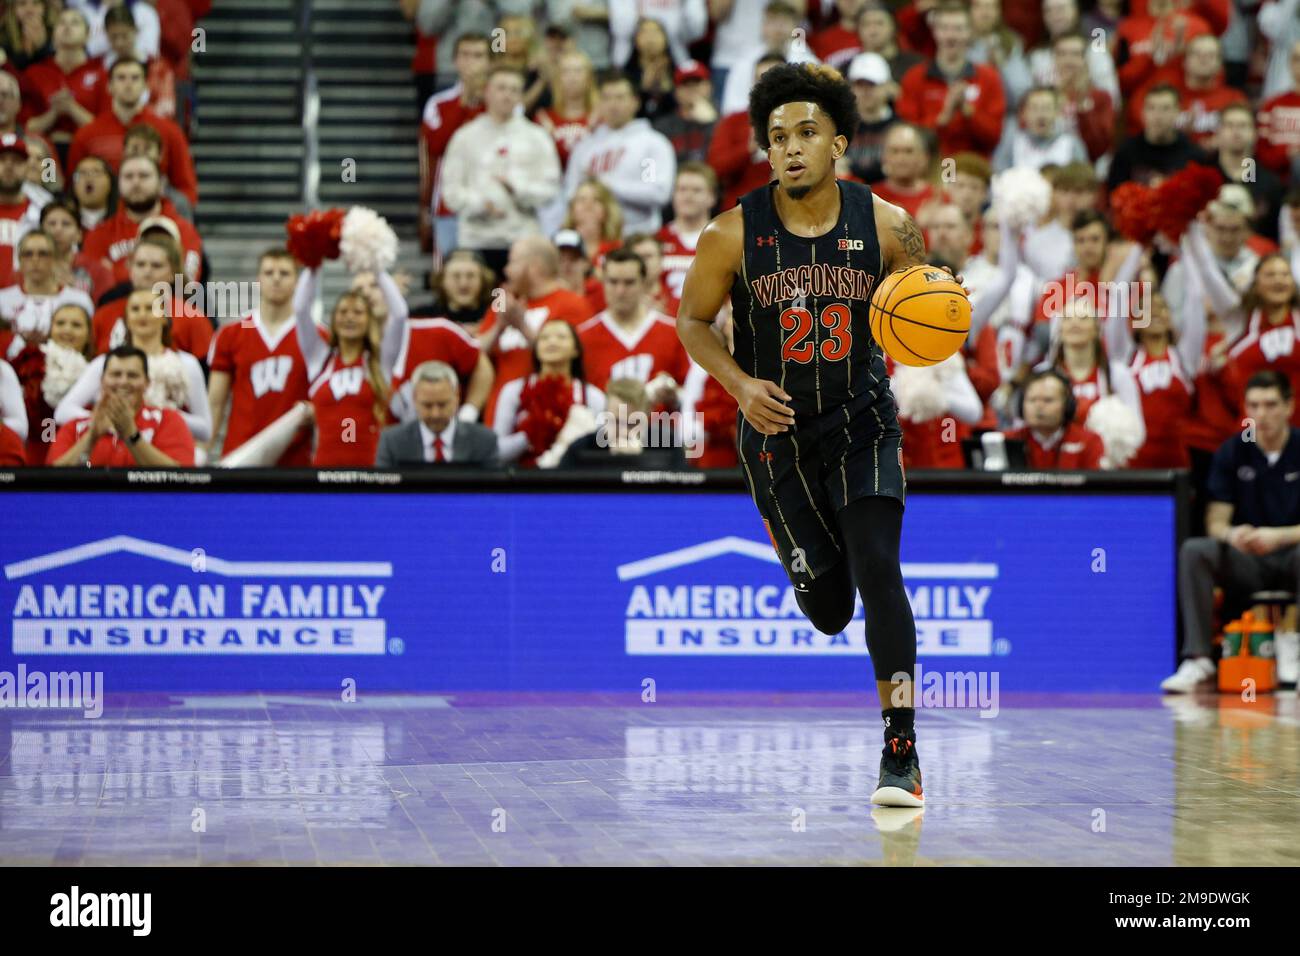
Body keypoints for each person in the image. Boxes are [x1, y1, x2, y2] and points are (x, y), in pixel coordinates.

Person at [676, 62, 928, 807]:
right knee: (830, 610)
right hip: (775, 434)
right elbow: (691, 322)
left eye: (806, 134)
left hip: (862, 422)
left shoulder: (888, 224)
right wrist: (739, 384)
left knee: (881, 572)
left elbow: (923, 308)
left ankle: (901, 750)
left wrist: (936, 312)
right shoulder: (730, 234)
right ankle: (811, 560)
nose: (789, 148)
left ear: (841, 143)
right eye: (776, 137)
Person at [1165, 370, 1300, 692]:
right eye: (1253, 406)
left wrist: (1279, 536)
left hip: (1293, 553)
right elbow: (1216, 520)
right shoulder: (1234, 450)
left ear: (1289, 407)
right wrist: (1231, 534)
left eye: (1270, 405)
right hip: (1249, 559)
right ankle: (1198, 657)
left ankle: (1293, 644)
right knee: (1196, 550)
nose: (1261, 415)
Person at [439, 65, 561, 278]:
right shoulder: (465, 137)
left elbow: (551, 189)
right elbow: (450, 192)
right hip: (475, 240)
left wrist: (518, 190)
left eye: (514, 90)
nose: (508, 95)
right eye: (501, 88)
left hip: (522, 240)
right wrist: (480, 204)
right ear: (487, 91)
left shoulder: (537, 137)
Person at [55, 287, 209, 443]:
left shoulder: (187, 364)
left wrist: (162, 415)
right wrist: (108, 418)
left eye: (150, 308)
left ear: (164, 317)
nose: (142, 315)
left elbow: (205, 429)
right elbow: (63, 411)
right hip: (115, 451)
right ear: (126, 319)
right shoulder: (105, 363)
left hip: (168, 448)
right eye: (135, 309)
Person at [205, 249, 314, 466]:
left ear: (297, 280)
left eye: (284, 273)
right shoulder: (230, 334)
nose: (276, 278)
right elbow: (215, 403)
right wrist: (203, 451)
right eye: (269, 272)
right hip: (240, 456)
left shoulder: (317, 336)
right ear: (258, 279)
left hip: (296, 461)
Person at [293, 264, 405, 468]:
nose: (350, 317)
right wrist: (313, 264)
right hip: (323, 473)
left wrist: (377, 265)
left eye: (358, 312)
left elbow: (400, 315)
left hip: (371, 473)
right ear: (334, 320)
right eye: (343, 312)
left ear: (369, 319)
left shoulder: (380, 362)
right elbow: (300, 309)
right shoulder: (320, 359)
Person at [477, 235, 593, 425]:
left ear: (535, 267)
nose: (506, 270)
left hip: (550, 416)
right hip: (500, 414)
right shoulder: (504, 303)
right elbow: (475, 353)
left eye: (513, 262)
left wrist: (522, 327)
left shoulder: (572, 305)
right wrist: (499, 327)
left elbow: (574, 357)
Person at [67, 58, 196, 209]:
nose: (128, 84)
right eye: (121, 78)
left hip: (157, 211)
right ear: (109, 86)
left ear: (145, 85)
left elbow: (186, 187)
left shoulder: (170, 131)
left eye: (135, 78)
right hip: (104, 215)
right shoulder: (87, 134)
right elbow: (73, 183)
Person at [564, 72, 675, 235]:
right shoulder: (585, 147)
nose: (613, 105)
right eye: (606, 98)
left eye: (620, 98)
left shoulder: (650, 145)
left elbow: (655, 192)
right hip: (593, 236)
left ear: (635, 102)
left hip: (637, 234)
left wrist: (607, 185)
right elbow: (570, 193)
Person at [47, 343, 194, 466]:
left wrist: (131, 435)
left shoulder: (169, 421)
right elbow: (50, 483)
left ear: (147, 383)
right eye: (116, 374)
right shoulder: (74, 428)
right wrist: (91, 438)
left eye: (132, 375)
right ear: (102, 380)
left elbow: (181, 478)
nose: (123, 382)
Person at [895, 2, 1005, 160]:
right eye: (945, 28)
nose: (951, 36)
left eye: (958, 29)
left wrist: (968, 111)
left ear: (970, 32)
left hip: (972, 170)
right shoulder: (914, 77)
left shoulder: (989, 77)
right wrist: (943, 117)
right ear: (935, 31)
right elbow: (907, 137)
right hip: (928, 169)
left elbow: (994, 137)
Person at [493, 316, 605, 466]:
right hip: (523, 482)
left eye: (561, 337)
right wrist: (531, 433)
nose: (552, 342)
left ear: (576, 350)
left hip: (574, 483)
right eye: (544, 338)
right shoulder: (513, 391)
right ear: (536, 349)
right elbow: (496, 453)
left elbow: (600, 451)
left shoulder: (592, 397)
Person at [578, 246, 688, 394]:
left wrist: (673, 395)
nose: (620, 291)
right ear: (602, 282)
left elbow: (691, 393)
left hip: (663, 417)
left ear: (643, 283)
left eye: (629, 283)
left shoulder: (674, 333)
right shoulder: (582, 338)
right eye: (613, 282)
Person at [81, 154, 202, 288]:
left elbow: (187, 282)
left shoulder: (184, 230)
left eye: (144, 176)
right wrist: (159, 273)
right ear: (118, 183)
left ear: (161, 183)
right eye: (128, 176)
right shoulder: (98, 234)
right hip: (114, 307)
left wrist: (114, 271)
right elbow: (93, 285)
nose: (136, 182)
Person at [419, 32, 489, 261]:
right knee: (448, 273)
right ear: (455, 61)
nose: (471, 62)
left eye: (478, 56)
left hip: (491, 207)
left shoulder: (500, 104)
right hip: (448, 205)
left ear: (489, 62)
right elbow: (438, 145)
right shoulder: (439, 103)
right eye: (465, 55)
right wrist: (464, 103)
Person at [376, 360, 500, 468]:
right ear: (414, 399)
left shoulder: (484, 441)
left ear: (457, 397)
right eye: (427, 405)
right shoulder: (392, 442)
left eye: (442, 404)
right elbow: (381, 493)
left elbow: (493, 492)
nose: (435, 414)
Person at [558, 375, 687, 468]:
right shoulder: (582, 448)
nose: (624, 432)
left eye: (633, 424)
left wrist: (638, 461)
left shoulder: (667, 444)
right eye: (616, 422)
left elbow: (680, 496)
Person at [1107, 84, 1213, 192]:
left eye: (1165, 109)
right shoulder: (1126, 151)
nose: (1157, 116)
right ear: (1143, 112)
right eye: (1151, 108)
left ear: (1178, 112)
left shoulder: (1194, 155)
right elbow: (1115, 195)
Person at [1003, 367, 1105, 469]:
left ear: (1067, 405)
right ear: (1021, 404)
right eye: (1032, 400)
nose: (1039, 406)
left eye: (1048, 400)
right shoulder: (1006, 441)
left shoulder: (1088, 442)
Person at [656, 163, 717, 307]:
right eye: (682, 190)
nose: (688, 196)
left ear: (712, 197)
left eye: (696, 190)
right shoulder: (656, 240)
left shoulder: (724, 239)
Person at [993, 86, 1087, 172]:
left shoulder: (1071, 143)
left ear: (1057, 112)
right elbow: (998, 176)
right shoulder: (1012, 143)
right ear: (1023, 113)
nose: (1041, 115)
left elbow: (1081, 179)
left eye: (1046, 108)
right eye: (1034, 108)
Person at [841, 51, 893, 184]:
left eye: (872, 84)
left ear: (887, 86)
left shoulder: (899, 128)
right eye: (859, 85)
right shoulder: (839, 126)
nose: (865, 91)